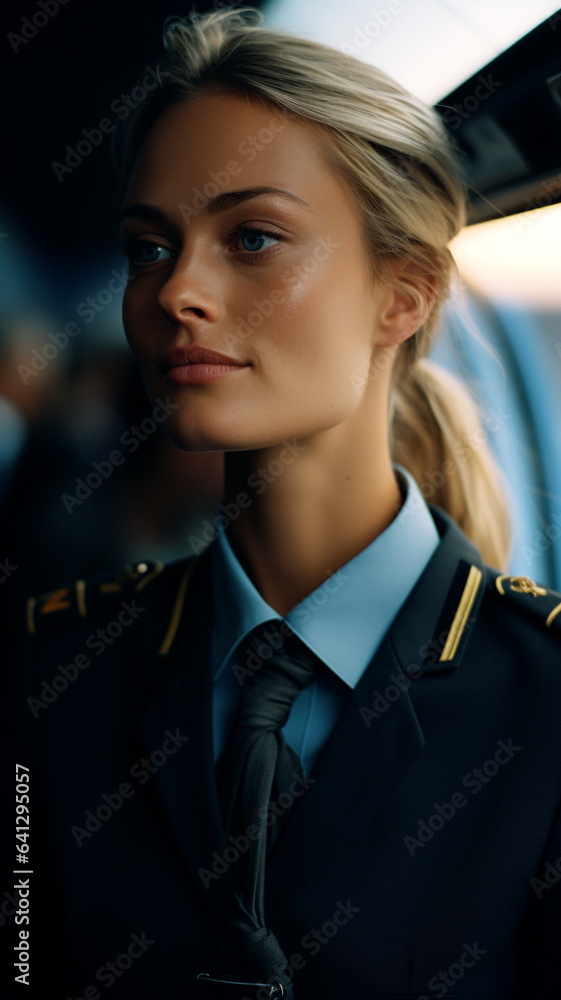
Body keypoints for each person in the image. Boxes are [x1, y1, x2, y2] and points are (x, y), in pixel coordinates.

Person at [6, 7, 561, 999]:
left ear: (405, 293)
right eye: (147, 248)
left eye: (253, 236)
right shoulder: (45, 677)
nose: (177, 290)